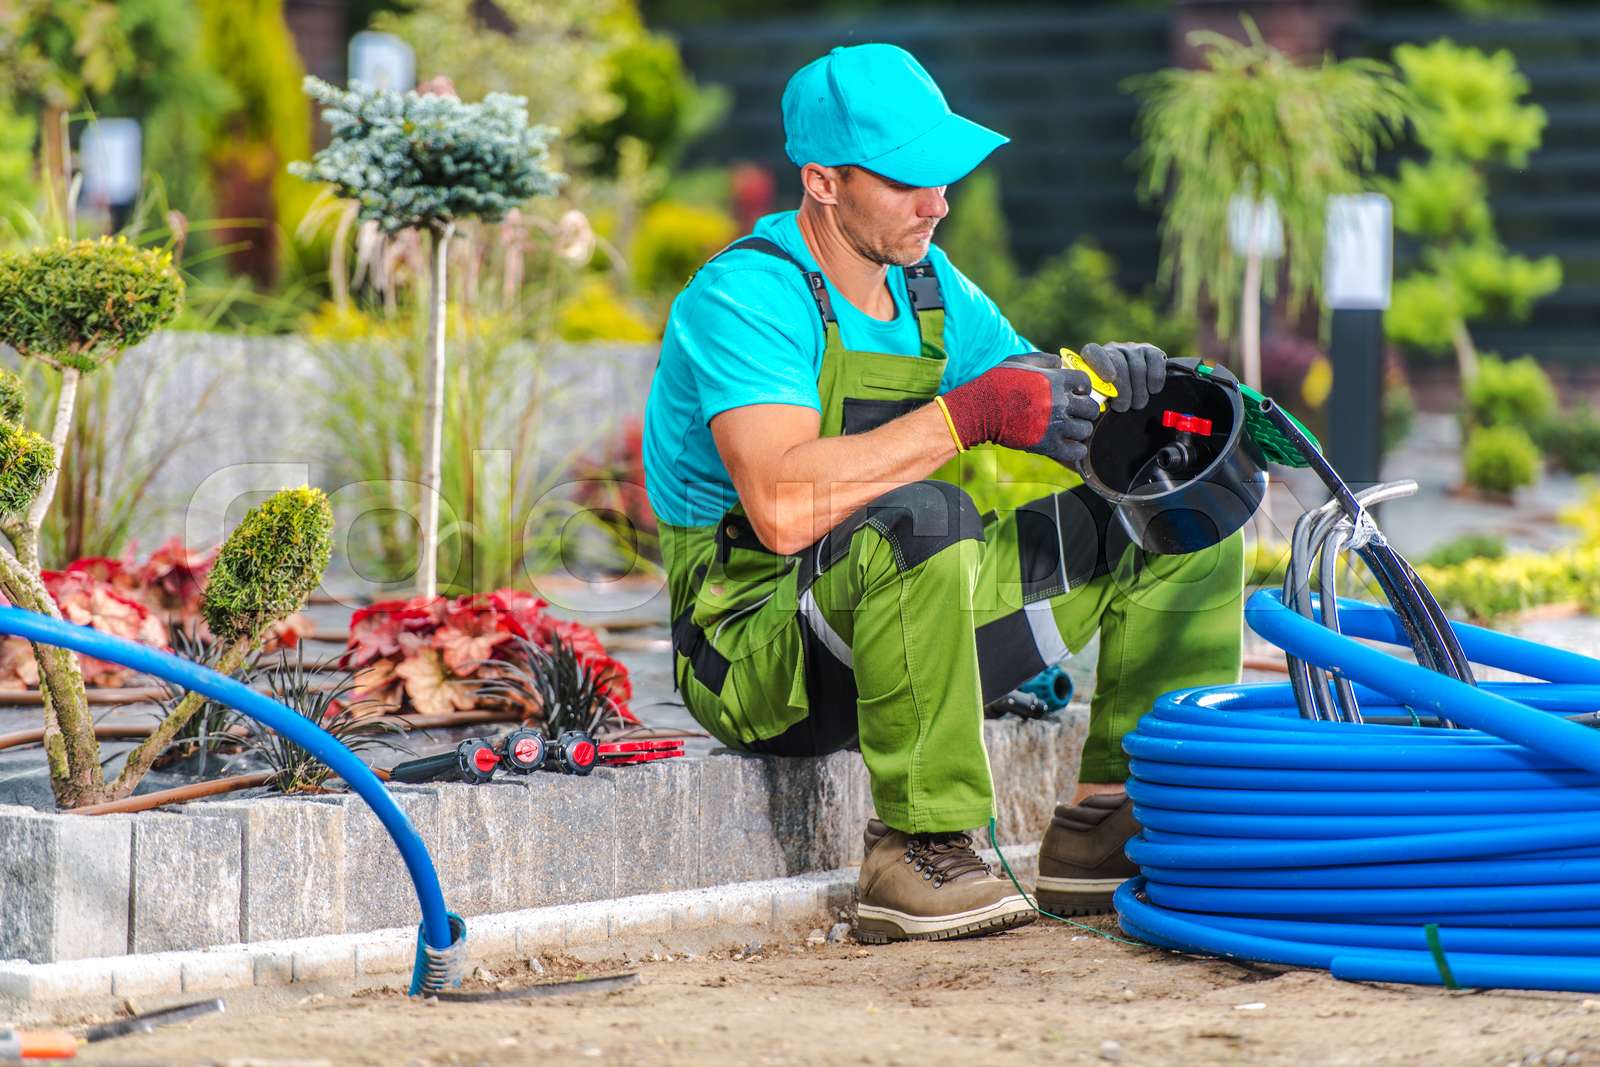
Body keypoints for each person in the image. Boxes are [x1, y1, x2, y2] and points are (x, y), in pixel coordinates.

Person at [641, 43, 1244, 943]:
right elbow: (781, 507)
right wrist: (971, 414)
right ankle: (916, 846)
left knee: (1176, 518)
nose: (939, 202)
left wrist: (1139, 415)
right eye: (909, 181)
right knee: (926, 517)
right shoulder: (747, 297)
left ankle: (1112, 820)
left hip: (904, 612)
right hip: (758, 653)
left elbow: (1032, 400)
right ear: (823, 182)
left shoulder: (932, 289)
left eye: (946, 176)